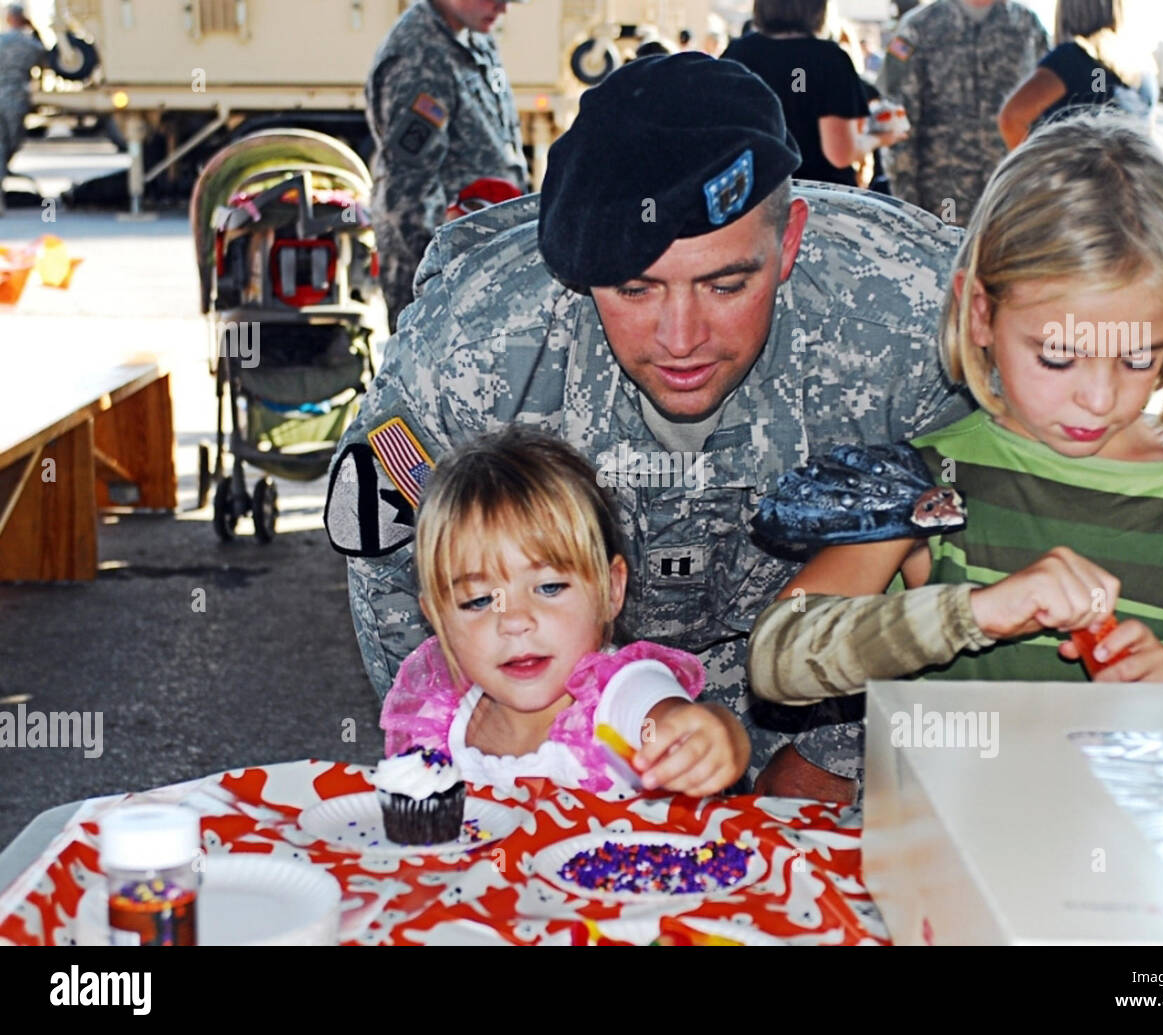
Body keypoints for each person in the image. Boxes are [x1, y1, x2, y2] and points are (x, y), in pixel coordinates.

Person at [324, 53, 974, 802]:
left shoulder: (916, 316)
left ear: (790, 240)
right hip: (561, 707)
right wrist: (486, 766)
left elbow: (966, 564)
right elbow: (395, 572)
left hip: (819, 683)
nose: (681, 336)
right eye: (636, 288)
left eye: (727, 283)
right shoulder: (475, 343)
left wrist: (835, 758)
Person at [747, 113, 1163, 704]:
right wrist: (973, 613)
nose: (1099, 398)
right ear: (980, 314)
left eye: (1137, 358)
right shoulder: (927, 486)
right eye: (1058, 357)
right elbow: (779, 659)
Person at [380, 425, 750, 795]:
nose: (514, 621)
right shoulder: (438, 717)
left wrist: (709, 732)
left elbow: (664, 714)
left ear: (611, 590)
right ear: (436, 617)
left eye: (549, 587)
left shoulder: (618, 695)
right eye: (478, 600)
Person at [365, 0, 528, 332]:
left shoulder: (473, 37)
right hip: (444, 273)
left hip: (481, 260)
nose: (503, 8)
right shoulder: (419, 56)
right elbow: (408, 189)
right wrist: (441, 277)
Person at [877, 0, 1049, 225]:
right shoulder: (918, 28)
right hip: (940, 202)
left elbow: (1045, 117)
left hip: (1011, 199)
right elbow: (898, 126)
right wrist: (908, 208)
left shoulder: (1028, 26)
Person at [721, 0, 878, 187]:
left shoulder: (737, 54)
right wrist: (878, 139)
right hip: (820, 196)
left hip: (755, 196)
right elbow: (840, 154)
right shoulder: (830, 58)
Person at [998, 0, 1155, 149]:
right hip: (1127, 174)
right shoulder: (1143, 68)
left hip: (1077, 174)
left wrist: (1039, 170)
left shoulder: (1072, 59)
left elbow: (1011, 118)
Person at [0, 2, 48, 209]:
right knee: (9, 144)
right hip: (17, 97)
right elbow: (49, 60)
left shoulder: (2, 41)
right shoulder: (30, 43)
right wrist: (34, 30)